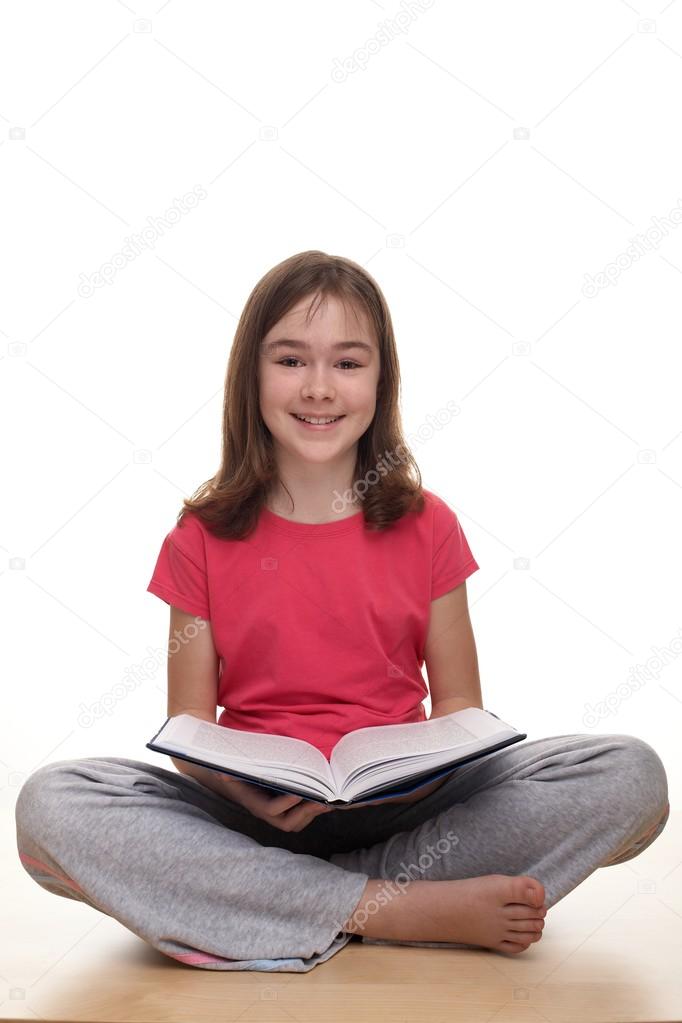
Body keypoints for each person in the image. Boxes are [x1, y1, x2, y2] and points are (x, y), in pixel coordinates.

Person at [15, 251, 670, 973]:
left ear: (381, 381)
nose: (319, 388)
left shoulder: (428, 525)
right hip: (252, 820)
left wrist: (420, 774)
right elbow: (188, 730)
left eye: (348, 363)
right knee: (53, 804)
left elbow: (460, 708)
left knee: (629, 774)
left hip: (411, 814)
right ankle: (396, 907)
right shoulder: (200, 537)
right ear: (250, 375)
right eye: (291, 360)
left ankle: (283, 902)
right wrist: (242, 793)